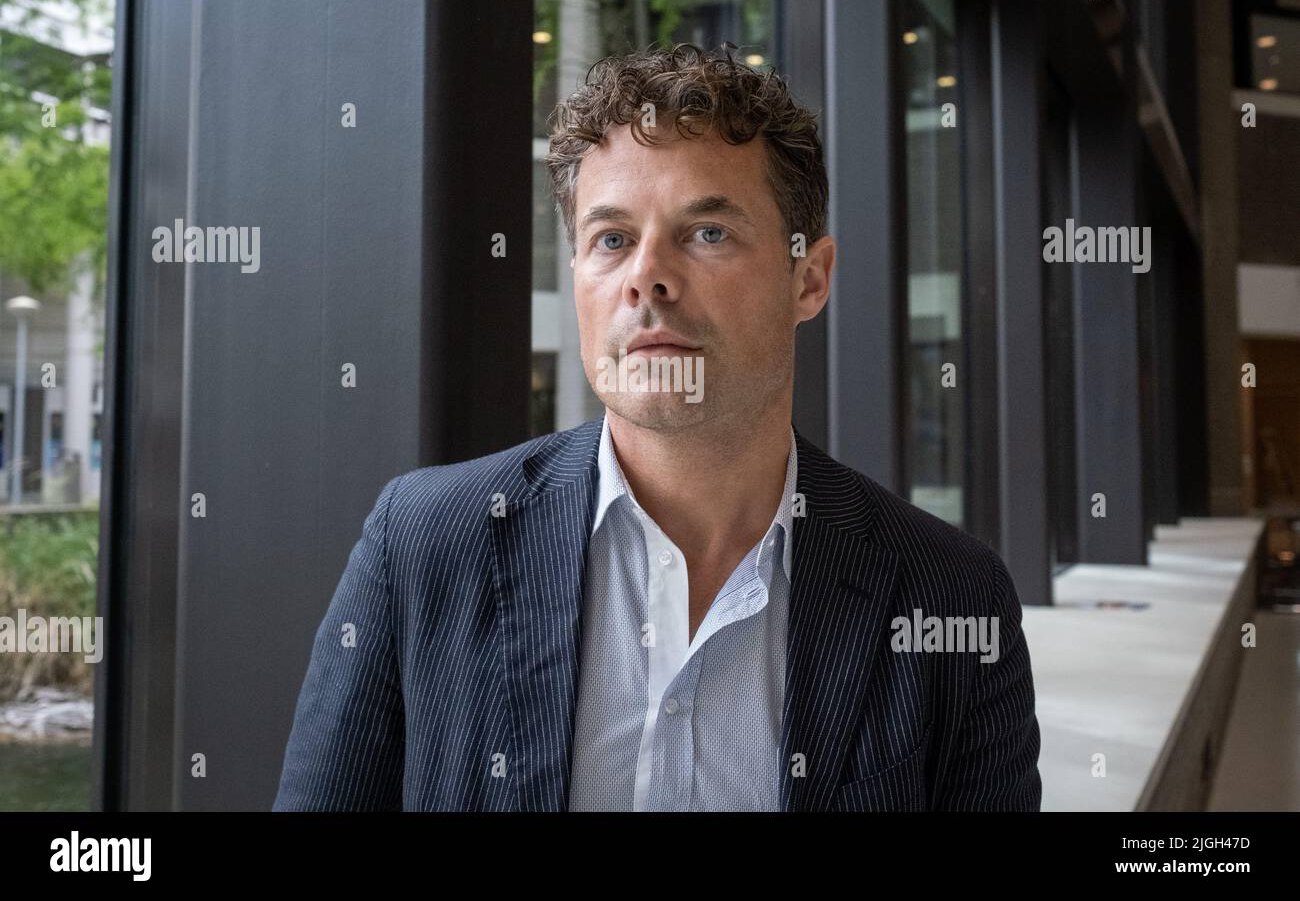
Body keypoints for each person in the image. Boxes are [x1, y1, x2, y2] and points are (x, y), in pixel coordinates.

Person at [274, 42, 1041, 812]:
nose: (647, 275)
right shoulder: (422, 543)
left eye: (707, 233)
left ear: (808, 280)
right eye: (611, 239)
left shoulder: (951, 597)